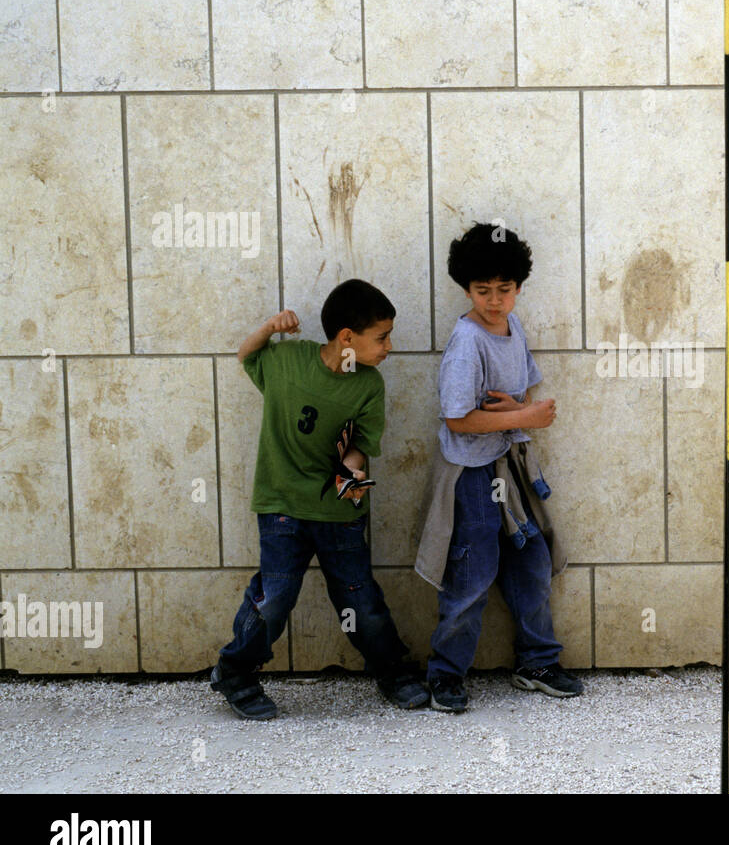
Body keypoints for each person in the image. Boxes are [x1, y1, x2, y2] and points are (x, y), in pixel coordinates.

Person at [210, 279, 429, 719]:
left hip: (339, 512)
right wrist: (270, 327)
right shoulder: (288, 360)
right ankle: (236, 672)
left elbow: (362, 441)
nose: (390, 347)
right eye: (382, 337)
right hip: (281, 507)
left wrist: (351, 468)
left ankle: (392, 670)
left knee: (359, 599)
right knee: (275, 596)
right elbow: (245, 355)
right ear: (347, 337)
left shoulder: (369, 386)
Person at [422, 222, 582, 712]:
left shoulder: (513, 329)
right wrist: (525, 417)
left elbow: (520, 391)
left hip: (508, 469)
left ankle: (537, 661)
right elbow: (456, 417)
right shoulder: (467, 341)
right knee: (473, 573)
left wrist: (514, 410)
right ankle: (445, 675)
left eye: (504, 289)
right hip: (472, 475)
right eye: (482, 290)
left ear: (518, 286)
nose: (494, 300)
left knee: (530, 561)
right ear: (466, 289)